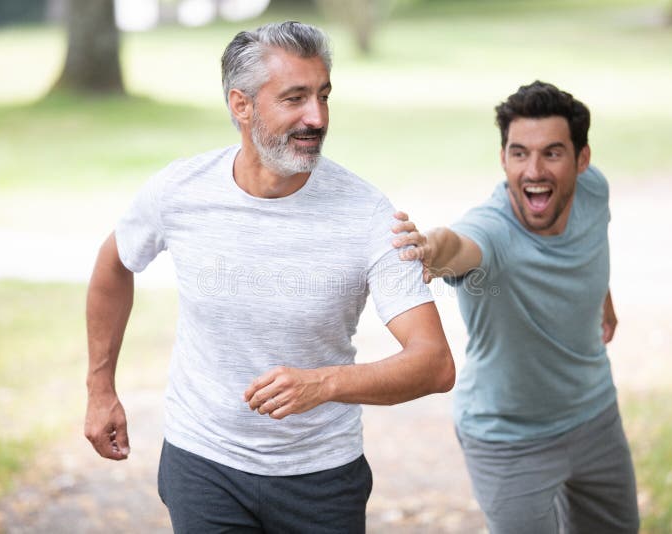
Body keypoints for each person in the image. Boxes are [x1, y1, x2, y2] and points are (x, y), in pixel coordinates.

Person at [84, 21, 454, 533]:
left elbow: (434, 364)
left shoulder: (367, 214)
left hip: (320, 477)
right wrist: (100, 387)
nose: (317, 117)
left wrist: (324, 384)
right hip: (203, 461)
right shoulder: (180, 192)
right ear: (242, 105)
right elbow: (113, 265)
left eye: (324, 95)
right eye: (295, 98)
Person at [393, 81, 639, 534]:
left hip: (594, 415)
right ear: (503, 158)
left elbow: (593, 237)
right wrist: (428, 248)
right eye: (519, 153)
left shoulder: (593, 190)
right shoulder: (493, 231)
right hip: (507, 437)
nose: (534, 170)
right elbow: (456, 244)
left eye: (552, 153)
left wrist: (602, 299)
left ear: (582, 160)